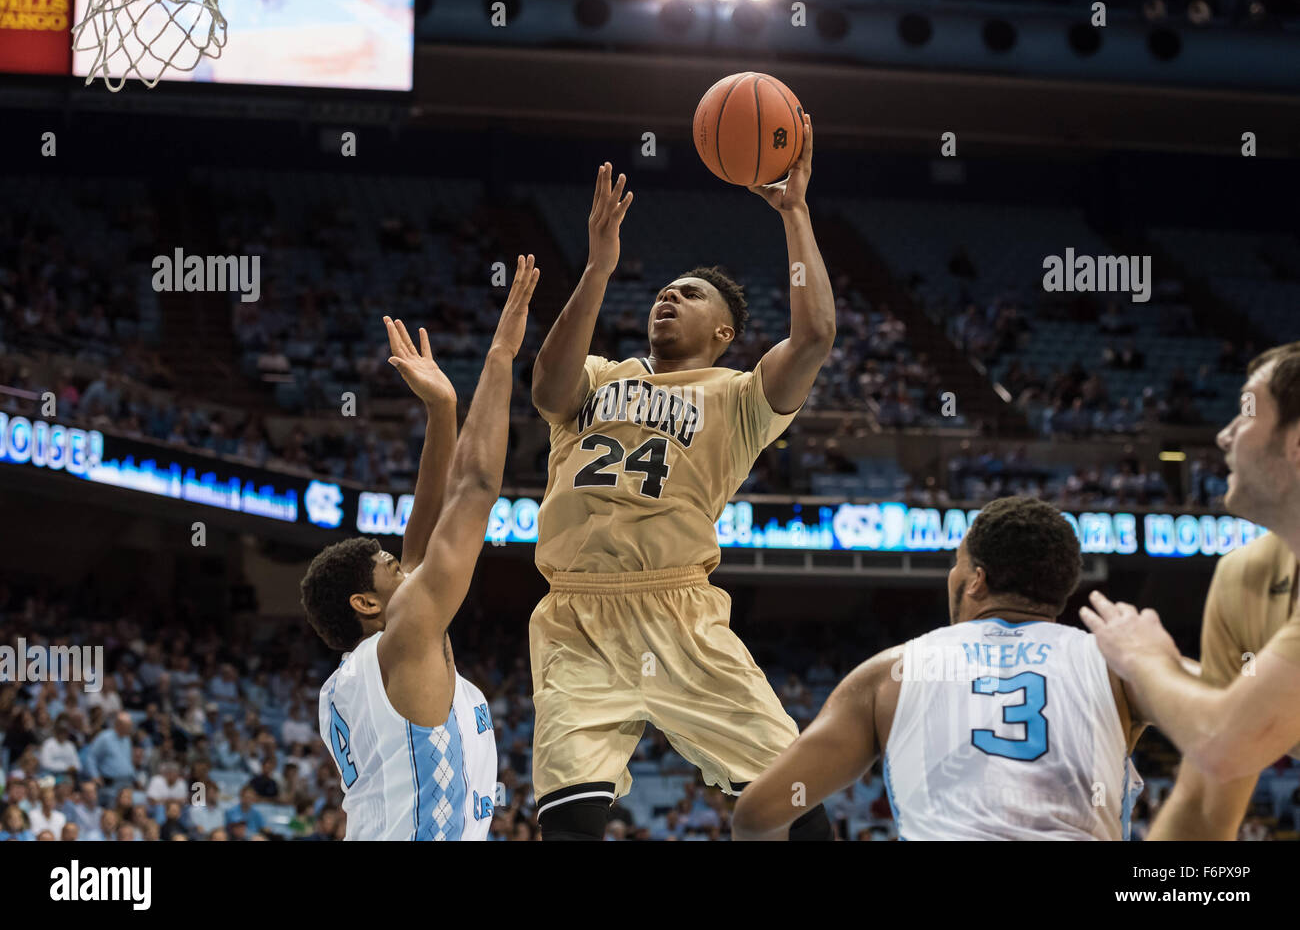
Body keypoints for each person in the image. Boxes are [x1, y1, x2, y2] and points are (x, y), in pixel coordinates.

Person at [528, 114, 837, 840]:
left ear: (725, 332)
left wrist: (795, 214)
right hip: (574, 614)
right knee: (568, 822)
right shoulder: (602, 373)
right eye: (665, 290)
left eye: (691, 294)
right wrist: (600, 265)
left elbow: (817, 333)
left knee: (794, 805)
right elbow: (545, 389)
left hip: (681, 611)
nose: (669, 297)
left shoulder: (739, 396)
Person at [732, 497, 1147, 840]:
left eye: (958, 563)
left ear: (976, 581)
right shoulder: (1118, 661)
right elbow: (1213, 720)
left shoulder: (889, 674)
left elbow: (757, 813)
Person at [304, 256, 538, 840]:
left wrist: (442, 412)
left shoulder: (361, 672)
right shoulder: (405, 636)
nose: (404, 565)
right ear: (365, 603)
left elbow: (425, 530)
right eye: (388, 567)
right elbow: (477, 490)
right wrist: (501, 358)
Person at [1081, 343, 1300, 815]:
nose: (1223, 436)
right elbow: (1205, 798)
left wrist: (1144, 660)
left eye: (1246, 414)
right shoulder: (1244, 574)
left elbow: (1224, 744)